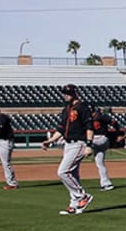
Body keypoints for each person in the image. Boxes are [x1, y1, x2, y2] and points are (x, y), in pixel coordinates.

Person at [40, 84, 95, 213]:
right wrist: (50, 140)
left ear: (75, 93)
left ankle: (83, 196)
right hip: (68, 144)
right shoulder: (66, 109)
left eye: (68, 93)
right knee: (73, 175)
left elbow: (89, 126)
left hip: (79, 143)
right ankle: (74, 205)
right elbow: (61, 128)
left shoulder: (82, 107)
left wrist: (89, 145)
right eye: (64, 93)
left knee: (63, 172)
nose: (65, 95)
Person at [87, 107, 118, 191]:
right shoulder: (91, 118)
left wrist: (118, 133)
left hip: (101, 138)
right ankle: (107, 184)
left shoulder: (102, 116)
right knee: (100, 164)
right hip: (100, 140)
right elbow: (115, 123)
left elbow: (114, 123)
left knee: (82, 143)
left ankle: (87, 149)